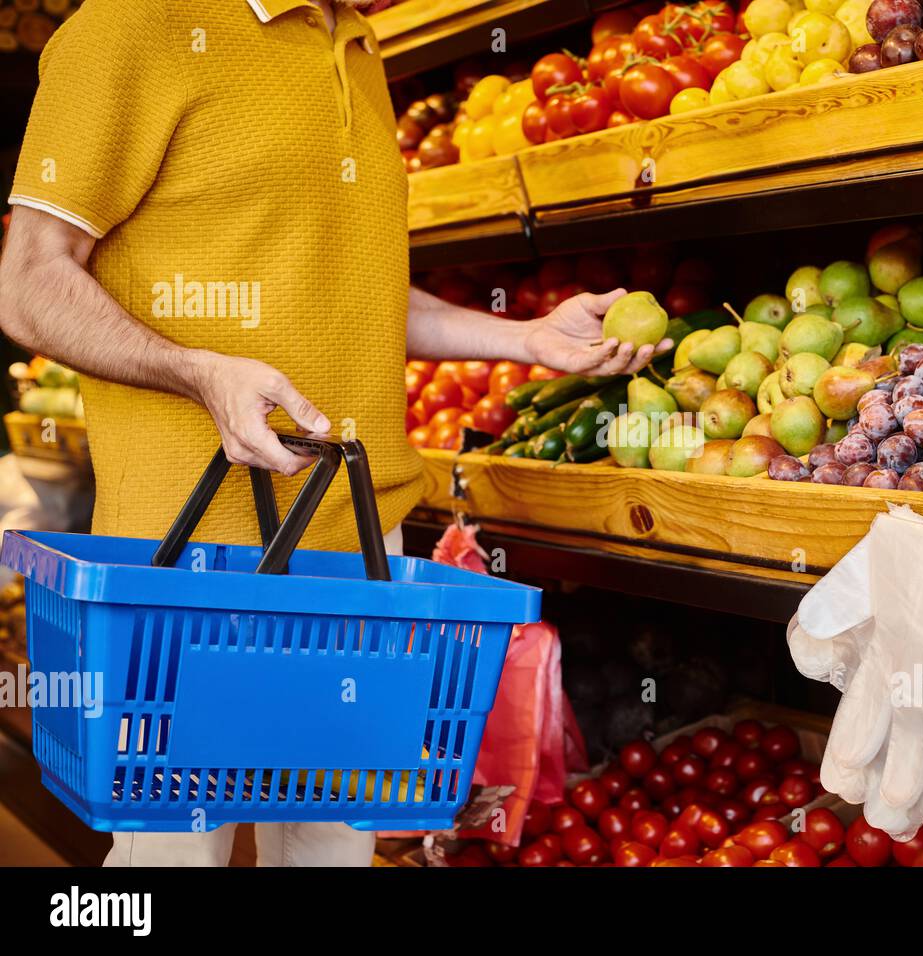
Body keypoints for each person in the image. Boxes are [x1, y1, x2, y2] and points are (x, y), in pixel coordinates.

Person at [0, 0, 665, 867]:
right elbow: (29, 283)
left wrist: (524, 339)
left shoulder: (356, 43)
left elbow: (356, 300)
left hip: (359, 544)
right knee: (174, 855)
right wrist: (202, 372)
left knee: (329, 847)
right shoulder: (132, 25)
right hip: (183, 554)